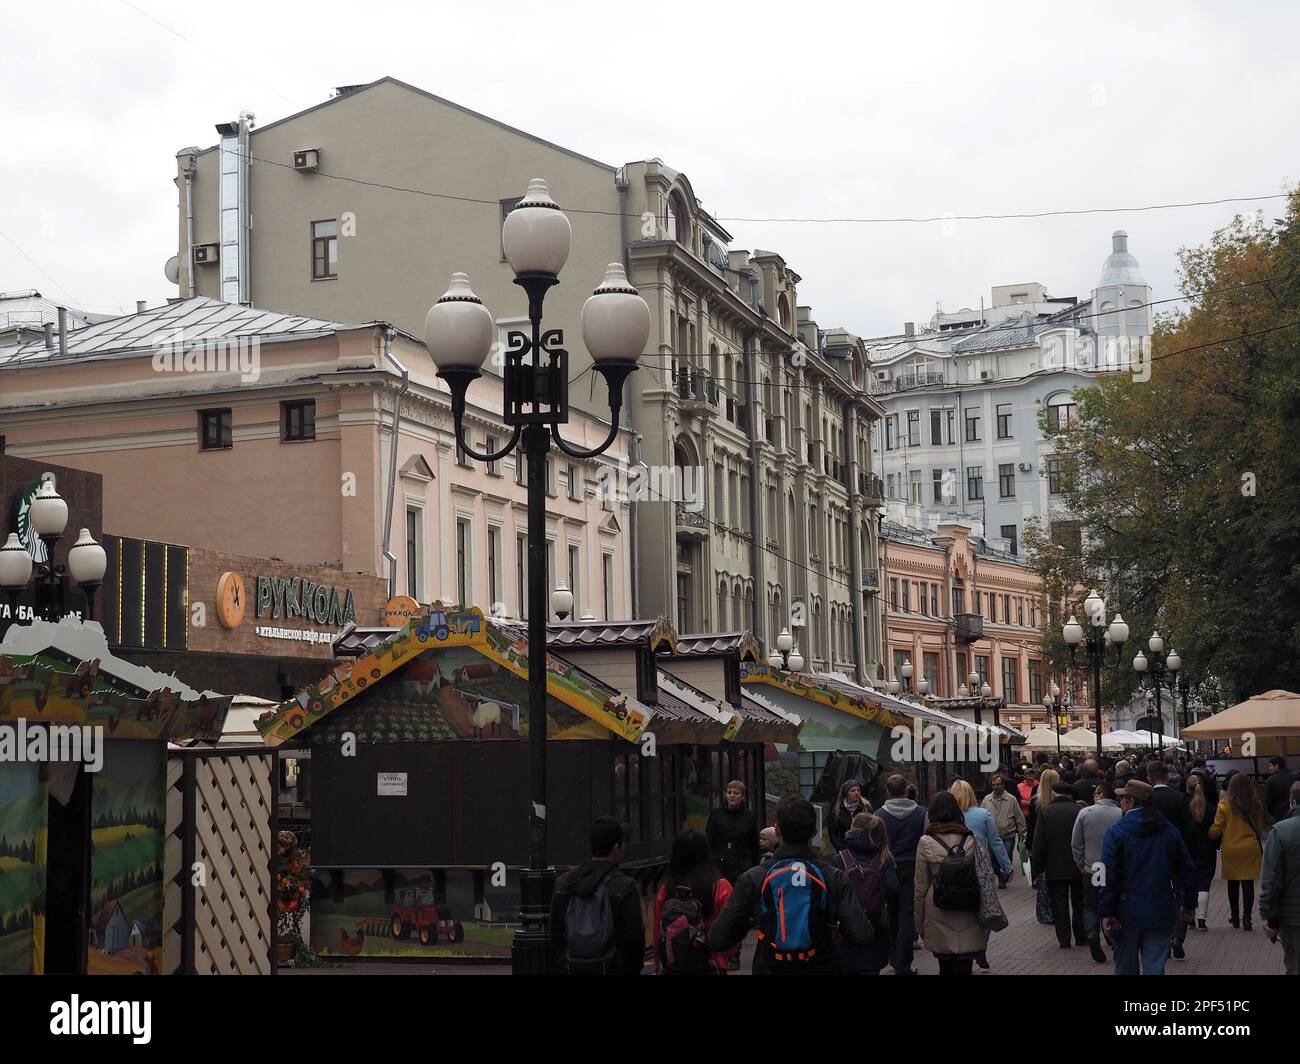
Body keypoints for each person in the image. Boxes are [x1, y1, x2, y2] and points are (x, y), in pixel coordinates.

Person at [707, 794, 871, 975]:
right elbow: (862, 935)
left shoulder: (754, 878)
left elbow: (718, 938)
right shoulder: (833, 876)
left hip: (770, 966)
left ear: (776, 830)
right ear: (814, 832)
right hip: (822, 965)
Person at [1099, 780, 1196, 975]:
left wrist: (1105, 911)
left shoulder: (1116, 832)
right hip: (1160, 908)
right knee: (1155, 965)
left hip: (1125, 910)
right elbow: (1187, 869)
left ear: (1131, 801)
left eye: (1122, 798)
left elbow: (1107, 874)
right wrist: (1189, 903)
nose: (1120, 803)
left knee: (1125, 967)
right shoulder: (1169, 831)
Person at [550, 816, 646, 975]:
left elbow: (555, 933)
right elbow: (633, 939)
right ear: (616, 848)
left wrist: (567, 963)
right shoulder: (625, 886)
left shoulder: (564, 883)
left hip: (574, 968)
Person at [913, 790, 989, 975]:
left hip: (939, 903)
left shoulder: (926, 841)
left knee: (944, 965)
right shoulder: (969, 838)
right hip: (967, 902)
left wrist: (919, 923)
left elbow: (920, 885)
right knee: (964, 964)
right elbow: (984, 871)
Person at [653, 829, 735, 975]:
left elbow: (658, 935)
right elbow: (731, 935)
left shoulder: (666, 889)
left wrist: (659, 965)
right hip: (712, 964)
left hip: (673, 967)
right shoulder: (721, 886)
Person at [829, 812, 899, 974]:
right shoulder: (884, 859)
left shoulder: (840, 859)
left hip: (845, 930)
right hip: (875, 929)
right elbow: (894, 890)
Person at [875, 773, 928, 976]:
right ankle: (903, 962)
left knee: (890, 913)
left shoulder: (880, 814)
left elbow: (878, 843)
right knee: (907, 915)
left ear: (888, 791)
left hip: (888, 866)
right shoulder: (921, 812)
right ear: (907, 790)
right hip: (912, 867)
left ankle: (892, 954)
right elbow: (925, 840)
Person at [1071, 777, 1123, 963]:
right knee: (1115, 903)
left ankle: (1092, 933)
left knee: (1091, 904)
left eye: (1095, 794)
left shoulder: (1085, 813)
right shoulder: (1120, 813)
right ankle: (1115, 938)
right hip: (1114, 869)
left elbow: (1076, 843)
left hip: (1092, 868)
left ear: (1100, 794)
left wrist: (1081, 865)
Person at [1031, 777, 1087, 949]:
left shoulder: (1046, 812)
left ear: (1054, 793)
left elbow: (1039, 842)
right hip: (1078, 865)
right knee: (1079, 903)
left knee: (1059, 903)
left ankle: (1064, 939)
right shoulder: (1080, 810)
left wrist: (1037, 867)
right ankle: (1081, 935)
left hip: (1055, 866)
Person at [1210, 771, 1267, 930]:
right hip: (1250, 847)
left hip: (1231, 847)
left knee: (1232, 883)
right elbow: (1260, 826)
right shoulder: (1255, 803)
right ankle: (1247, 919)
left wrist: (1209, 835)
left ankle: (1235, 917)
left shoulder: (1224, 804)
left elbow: (1217, 827)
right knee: (1248, 884)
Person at [1260, 780, 1300, 974]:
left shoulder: (1281, 831)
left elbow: (1271, 878)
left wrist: (1269, 916)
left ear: (1292, 800)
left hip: (1293, 914)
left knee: (1294, 963)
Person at [1183, 769, 1220, 931]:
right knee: (1204, 884)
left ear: (1187, 788)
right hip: (1206, 847)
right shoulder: (1210, 807)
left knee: (1189, 883)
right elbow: (1216, 829)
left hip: (1187, 848)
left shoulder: (1183, 805)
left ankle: (1189, 917)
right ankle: (1202, 920)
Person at [952, 779, 1011, 878]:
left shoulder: (948, 817)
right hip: (980, 865)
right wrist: (1007, 867)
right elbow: (995, 843)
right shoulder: (983, 815)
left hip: (954, 866)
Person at [706, 779, 760, 886]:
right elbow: (708, 841)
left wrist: (754, 866)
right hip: (720, 865)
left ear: (742, 796)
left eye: (736, 793)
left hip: (742, 865)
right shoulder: (716, 815)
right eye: (729, 793)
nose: (732, 796)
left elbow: (754, 843)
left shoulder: (749, 817)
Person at [981, 773, 1027, 888]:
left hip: (1008, 834)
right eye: (993, 785)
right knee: (993, 859)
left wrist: (1022, 832)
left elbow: (1019, 816)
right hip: (991, 836)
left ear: (1003, 785)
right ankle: (999, 873)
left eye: (998, 785)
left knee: (1006, 856)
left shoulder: (1011, 799)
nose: (995, 787)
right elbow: (981, 815)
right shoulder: (987, 799)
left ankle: (1003, 877)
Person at [827, 778, 872, 853]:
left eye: (858, 790)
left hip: (863, 849)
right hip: (844, 849)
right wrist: (840, 849)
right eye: (853, 790)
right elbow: (833, 834)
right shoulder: (837, 810)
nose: (856, 793)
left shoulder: (865, 808)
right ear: (846, 793)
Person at [1265, 756, 1298, 825]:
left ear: (1276, 765)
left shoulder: (1271, 780)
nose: (1269, 768)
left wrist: (1272, 812)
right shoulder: (1296, 776)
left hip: (1279, 813)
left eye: (1271, 766)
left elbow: (1269, 800)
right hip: (1295, 811)